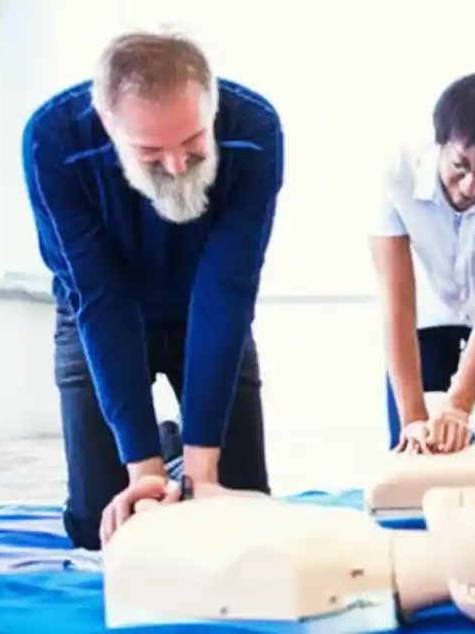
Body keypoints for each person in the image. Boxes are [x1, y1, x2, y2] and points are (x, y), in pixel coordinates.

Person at [21, 31, 284, 550]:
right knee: (101, 526)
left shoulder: (255, 129)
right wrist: (143, 469)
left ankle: (183, 452)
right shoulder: (51, 140)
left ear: (214, 107)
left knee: (236, 503)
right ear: (108, 126)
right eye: (149, 151)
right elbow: (98, 297)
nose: (176, 166)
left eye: (193, 143)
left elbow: (227, 289)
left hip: (205, 306)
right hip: (99, 307)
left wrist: (204, 470)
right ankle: (161, 446)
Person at [370, 73, 475, 483]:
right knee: (414, 453)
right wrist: (415, 415)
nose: (471, 186)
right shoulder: (396, 173)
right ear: (440, 145)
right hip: (425, 314)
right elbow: (396, 302)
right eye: (460, 166)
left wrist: (459, 405)